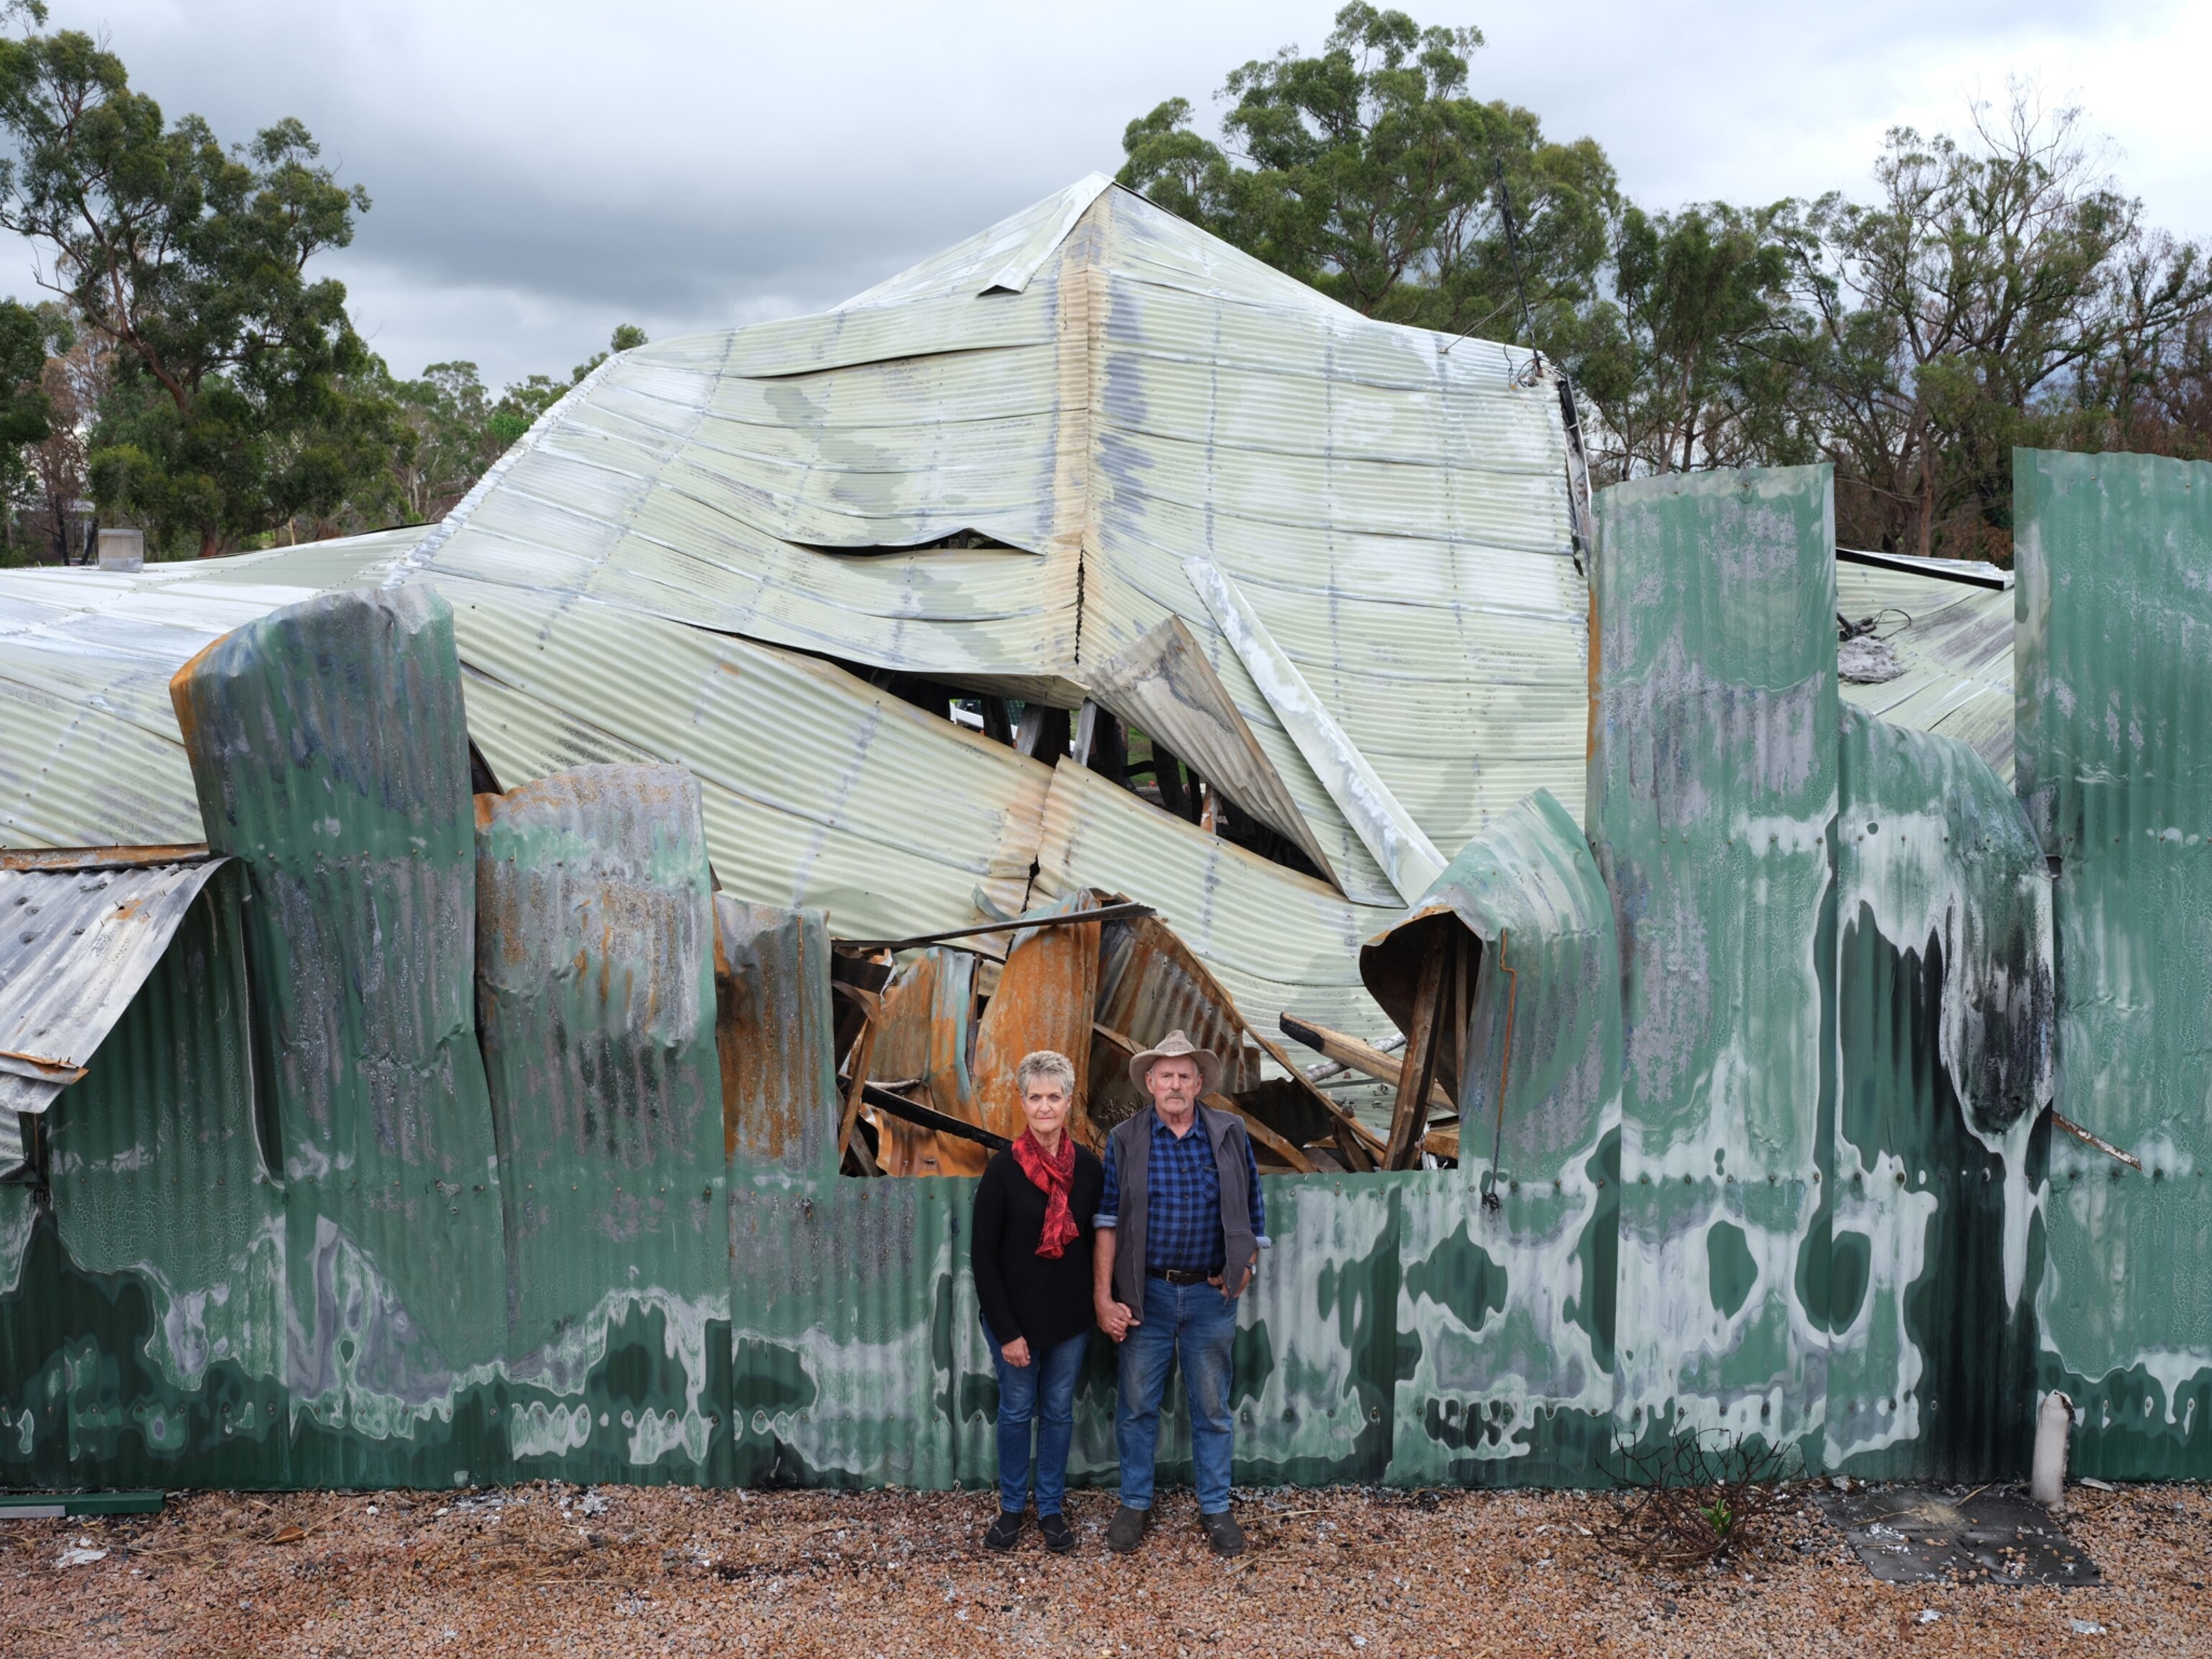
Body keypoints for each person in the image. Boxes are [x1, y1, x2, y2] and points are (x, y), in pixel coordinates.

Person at [1091, 1029, 1267, 1557]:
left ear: (1198, 1083)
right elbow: (1106, 1221)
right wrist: (1105, 1297)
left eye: (1184, 1075)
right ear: (1150, 1082)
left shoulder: (1230, 1132)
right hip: (1148, 1296)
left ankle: (1215, 1507)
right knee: (1139, 1405)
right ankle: (1135, 1503)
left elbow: (1254, 1209)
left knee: (1212, 1407)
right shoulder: (1125, 1139)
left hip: (1213, 1296)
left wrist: (1247, 1267)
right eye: (1165, 1075)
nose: (1174, 1083)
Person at [970, 1048, 1105, 1553]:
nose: (1045, 1107)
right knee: (1016, 1409)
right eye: (1035, 1097)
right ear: (1022, 1102)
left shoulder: (1088, 1169)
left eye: (1054, 1097)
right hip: (1016, 1321)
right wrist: (1007, 1332)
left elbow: (1098, 1243)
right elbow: (983, 1257)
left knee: (1058, 1411)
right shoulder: (1003, 1172)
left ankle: (1049, 1507)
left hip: (1070, 1319)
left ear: (1068, 1102)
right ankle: (1010, 1509)